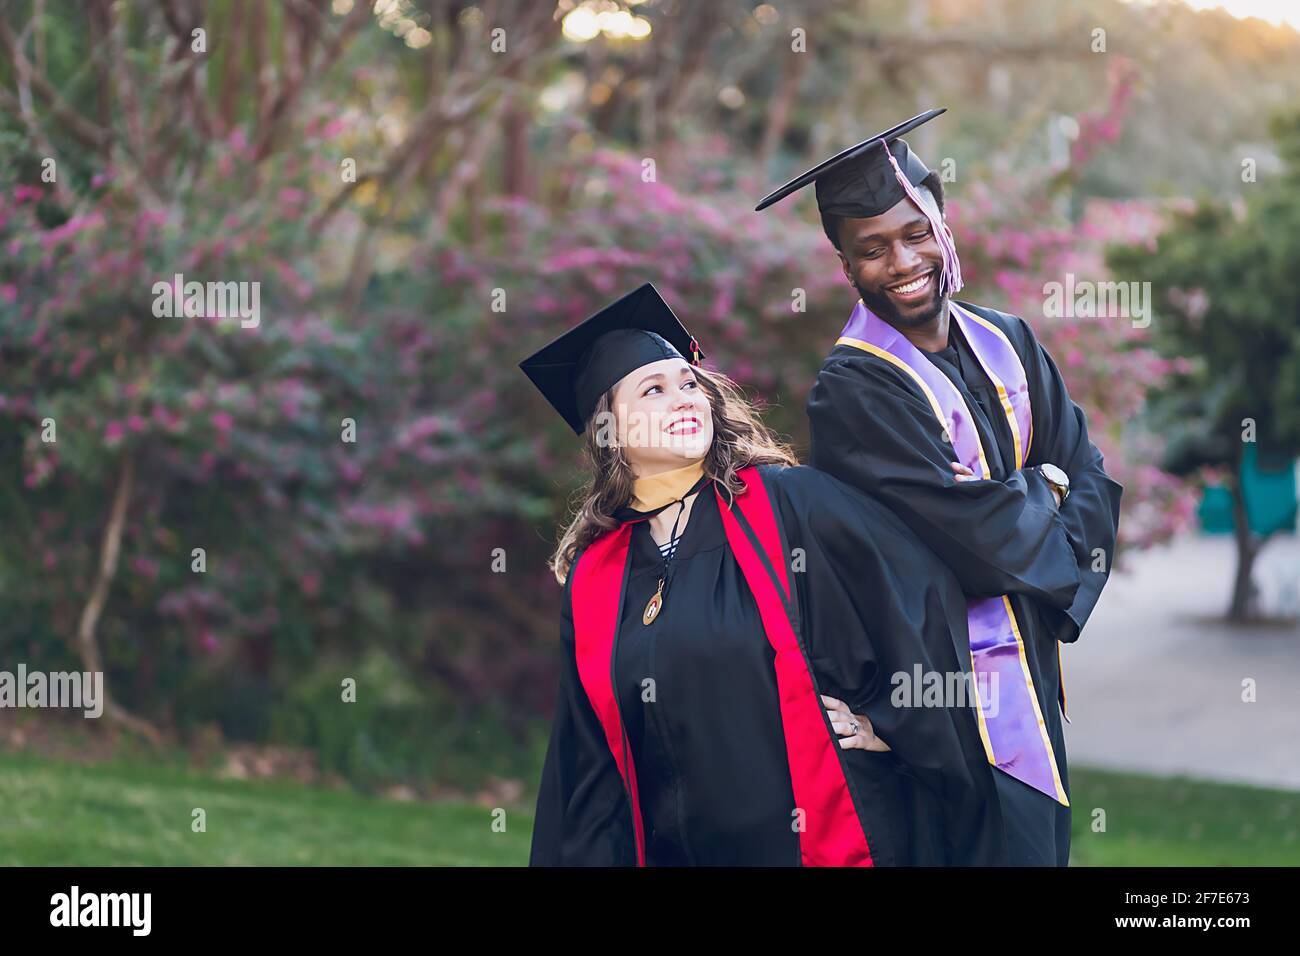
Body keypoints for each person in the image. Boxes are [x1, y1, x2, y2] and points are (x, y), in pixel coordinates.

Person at [520, 282, 1005, 867]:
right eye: (654, 390)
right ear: (610, 431)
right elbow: (589, 756)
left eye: (690, 383)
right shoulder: (599, 574)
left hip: (811, 846)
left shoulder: (787, 507)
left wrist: (893, 721)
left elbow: (916, 588)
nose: (684, 400)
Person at [755, 109, 1124, 866]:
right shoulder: (854, 388)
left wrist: (1034, 493)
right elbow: (974, 547)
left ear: (943, 222)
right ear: (846, 266)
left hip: (1033, 691)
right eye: (873, 249)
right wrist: (1042, 486)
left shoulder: (1009, 341)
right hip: (939, 712)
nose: (902, 261)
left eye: (914, 232)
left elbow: (1091, 477)